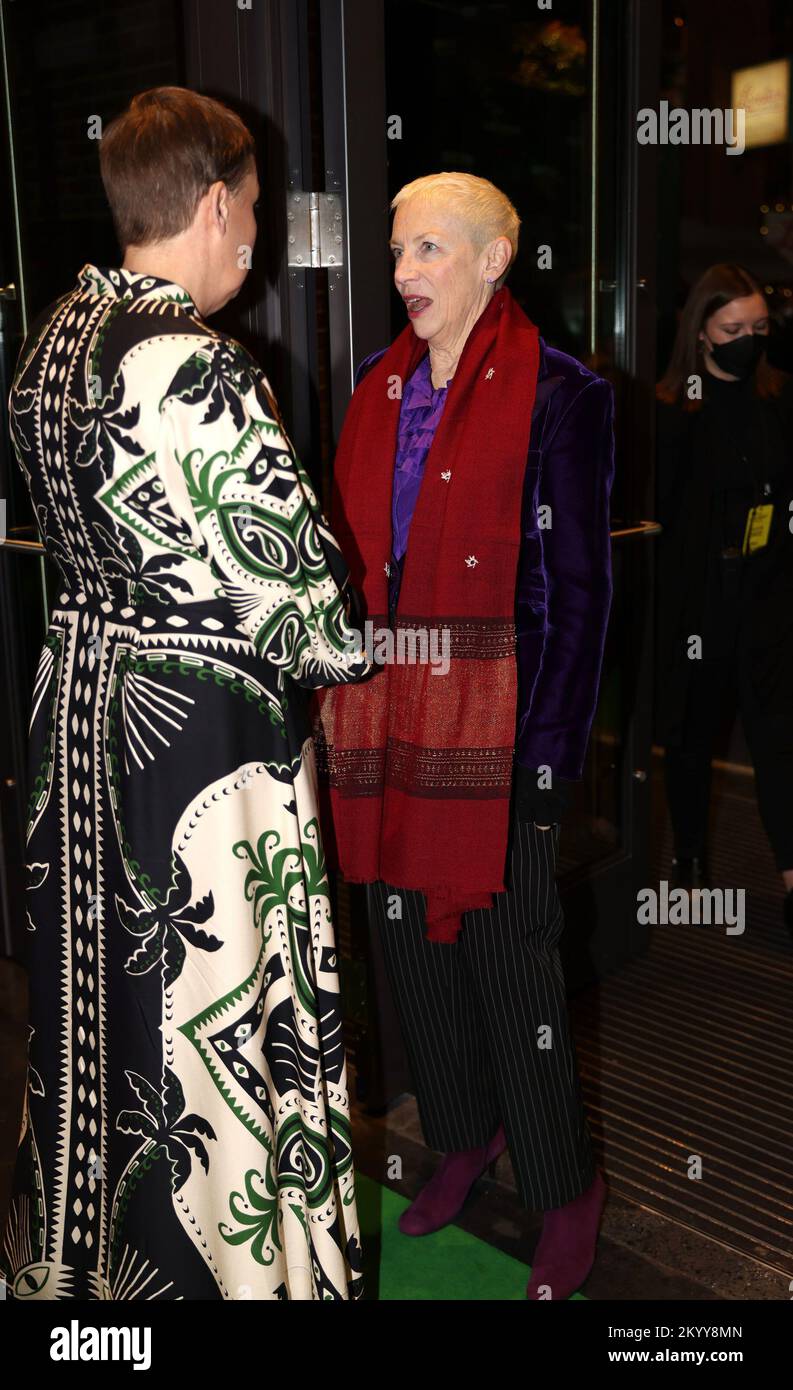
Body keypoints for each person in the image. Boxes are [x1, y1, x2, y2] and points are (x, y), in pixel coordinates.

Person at [1, 86, 372, 1301]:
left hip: (83, 730)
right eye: (254, 211)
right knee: (210, 1033)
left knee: (98, 1014)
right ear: (213, 204)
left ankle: (79, 1286)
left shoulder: (54, 341)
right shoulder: (193, 366)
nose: (255, 239)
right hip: (198, 762)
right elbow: (308, 607)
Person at [313, 172, 615, 1300]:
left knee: (510, 964)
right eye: (398, 252)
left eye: (428, 249)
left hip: (503, 738)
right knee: (409, 948)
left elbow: (579, 593)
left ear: (496, 259)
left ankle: (561, 1185)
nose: (402, 273)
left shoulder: (563, 395)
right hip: (391, 722)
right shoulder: (378, 388)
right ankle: (464, 1135)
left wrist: (546, 752)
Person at [656, 263, 793, 935]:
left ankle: (791, 872)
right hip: (699, 598)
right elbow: (658, 513)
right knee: (692, 732)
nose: (748, 339)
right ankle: (688, 863)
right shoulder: (674, 410)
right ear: (701, 333)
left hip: (767, 594)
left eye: (759, 327)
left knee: (777, 736)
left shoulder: (778, 396)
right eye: (732, 328)